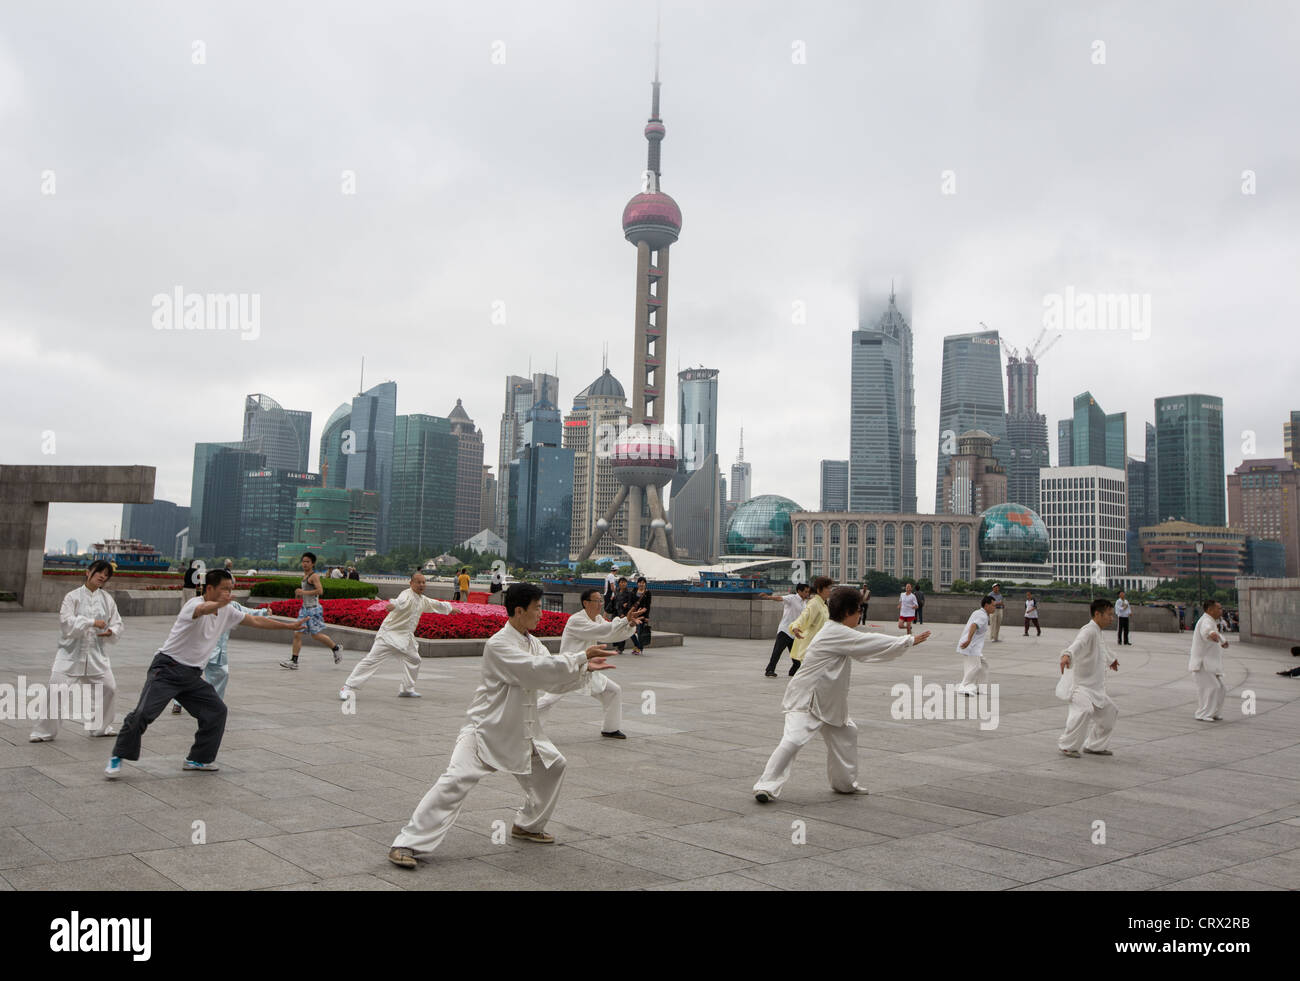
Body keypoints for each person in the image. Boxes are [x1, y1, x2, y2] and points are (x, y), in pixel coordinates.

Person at [387, 583, 618, 868]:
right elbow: (533, 671)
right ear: (519, 610)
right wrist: (581, 657)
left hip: (522, 729)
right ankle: (406, 843)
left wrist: (583, 670)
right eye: (537, 608)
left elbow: (551, 676)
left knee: (554, 766)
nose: (541, 614)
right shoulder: (498, 644)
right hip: (485, 728)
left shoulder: (533, 643)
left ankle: (527, 825)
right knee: (455, 780)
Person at [105, 569, 305, 779]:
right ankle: (118, 755)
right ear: (209, 588)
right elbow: (202, 609)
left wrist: (289, 626)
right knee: (143, 714)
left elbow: (255, 621)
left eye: (231, 589)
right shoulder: (193, 605)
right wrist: (219, 604)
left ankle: (198, 759)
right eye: (224, 589)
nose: (229, 593)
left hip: (191, 675)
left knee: (217, 711)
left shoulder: (227, 611)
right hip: (166, 669)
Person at [754, 586, 928, 802]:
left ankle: (845, 784)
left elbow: (864, 650)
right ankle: (765, 786)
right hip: (807, 699)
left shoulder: (836, 631)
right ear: (848, 612)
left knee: (846, 734)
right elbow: (870, 641)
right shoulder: (837, 632)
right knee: (793, 739)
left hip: (828, 701)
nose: (859, 615)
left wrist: (904, 643)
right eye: (858, 611)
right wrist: (907, 640)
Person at [29, 560, 122, 742]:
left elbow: (117, 622)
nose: (102, 576)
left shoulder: (107, 600)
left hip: (96, 655)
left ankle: (100, 728)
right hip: (70, 654)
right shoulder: (72, 597)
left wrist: (112, 631)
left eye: (106, 575)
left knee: (109, 688)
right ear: (88, 572)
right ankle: (43, 732)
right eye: (99, 572)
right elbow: (66, 623)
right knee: (56, 690)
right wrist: (91, 622)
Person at [536, 588, 645, 739]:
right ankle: (521, 723)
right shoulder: (576, 620)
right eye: (596, 601)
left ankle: (610, 729)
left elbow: (612, 634)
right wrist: (625, 620)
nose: (600, 604)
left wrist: (630, 625)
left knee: (613, 691)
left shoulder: (598, 619)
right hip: (570, 668)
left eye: (601, 600)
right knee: (548, 700)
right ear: (585, 603)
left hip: (589, 668)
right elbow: (602, 630)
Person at [339, 571, 455, 702]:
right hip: (388, 635)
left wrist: (450, 608)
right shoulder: (407, 595)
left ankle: (407, 689)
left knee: (414, 659)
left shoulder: (422, 599)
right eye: (419, 582)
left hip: (405, 638)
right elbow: (400, 601)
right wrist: (394, 605)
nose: (422, 585)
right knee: (371, 661)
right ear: (411, 583)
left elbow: (435, 604)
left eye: (424, 582)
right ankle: (347, 687)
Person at [172, 593, 269, 714]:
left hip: (217, 652)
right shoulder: (202, 603)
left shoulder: (232, 606)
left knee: (222, 674)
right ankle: (178, 702)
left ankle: (214, 704)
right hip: (199, 650)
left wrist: (264, 612)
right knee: (189, 676)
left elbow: (248, 613)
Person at [1057, 599, 1119, 758]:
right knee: (1083, 710)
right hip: (1081, 687)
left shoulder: (1098, 631)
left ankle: (1094, 745)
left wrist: (1112, 660)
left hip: (1095, 688)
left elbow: (1103, 647)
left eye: (1112, 615)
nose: (1111, 618)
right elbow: (1078, 644)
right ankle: (1067, 745)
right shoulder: (1089, 630)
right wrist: (1067, 655)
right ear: (1097, 614)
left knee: (1110, 712)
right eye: (1109, 615)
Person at [280, 552, 344, 670]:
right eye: (303, 561)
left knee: (316, 635)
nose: (304, 564)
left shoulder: (314, 576)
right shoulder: (304, 576)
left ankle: (336, 648)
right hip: (304, 609)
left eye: (307, 562)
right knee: (297, 633)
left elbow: (320, 591)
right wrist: (299, 595)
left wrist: (303, 592)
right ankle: (294, 661)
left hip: (313, 610)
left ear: (313, 564)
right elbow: (307, 593)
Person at [1189, 599, 1231, 722]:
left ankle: (1213, 712)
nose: (1221, 611)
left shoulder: (1211, 620)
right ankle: (1203, 714)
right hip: (1202, 664)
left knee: (1221, 688)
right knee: (1212, 687)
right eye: (1219, 608)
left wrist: (1222, 640)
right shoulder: (1206, 621)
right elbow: (1207, 631)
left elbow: (1215, 633)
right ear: (1210, 610)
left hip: (1209, 664)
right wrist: (1212, 634)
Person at [761, 582, 811, 677]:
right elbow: (779, 598)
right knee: (777, 652)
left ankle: (793, 671)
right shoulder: (792, 598)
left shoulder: (805, 603)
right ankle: (769, 670)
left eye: (808, 592)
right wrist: (768, 597)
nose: (807, 594)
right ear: (799, 591)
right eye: (805, 592)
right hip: (785, 630)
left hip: (795, 633)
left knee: (796, 656)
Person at [787, 576, 833, 676]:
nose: (830, 590)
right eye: (828, 588)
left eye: (830, 588)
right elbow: (804, 615)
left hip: (820, 647)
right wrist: (795, 626)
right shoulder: (814, 603)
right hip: (811, 647)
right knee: (809, 678)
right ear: (819, 590)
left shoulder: (823, 605)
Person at [956, 595, 995, 696]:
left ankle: (978, 687)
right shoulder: (982, 615)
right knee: (976, 666)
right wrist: (969, 640)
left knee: (984, 665)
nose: (994, 607)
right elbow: (974, 625)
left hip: (973, 646)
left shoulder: (979, 613)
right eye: (993, 605)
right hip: (971, 646)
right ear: (986, 605)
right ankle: (963, 686)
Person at [628, 576, 652, 654]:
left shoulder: (647, 592)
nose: (641, 584)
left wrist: (647, 616)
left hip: (642, 614)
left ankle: (638, 648)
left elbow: (648, 605)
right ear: (637, 583)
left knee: (639, 632)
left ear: (645, 584)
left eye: (643, 583)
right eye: (640, 582)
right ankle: (637, 645)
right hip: (633, 614)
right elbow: (630, 602)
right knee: (629, 631)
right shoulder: (633, 591)